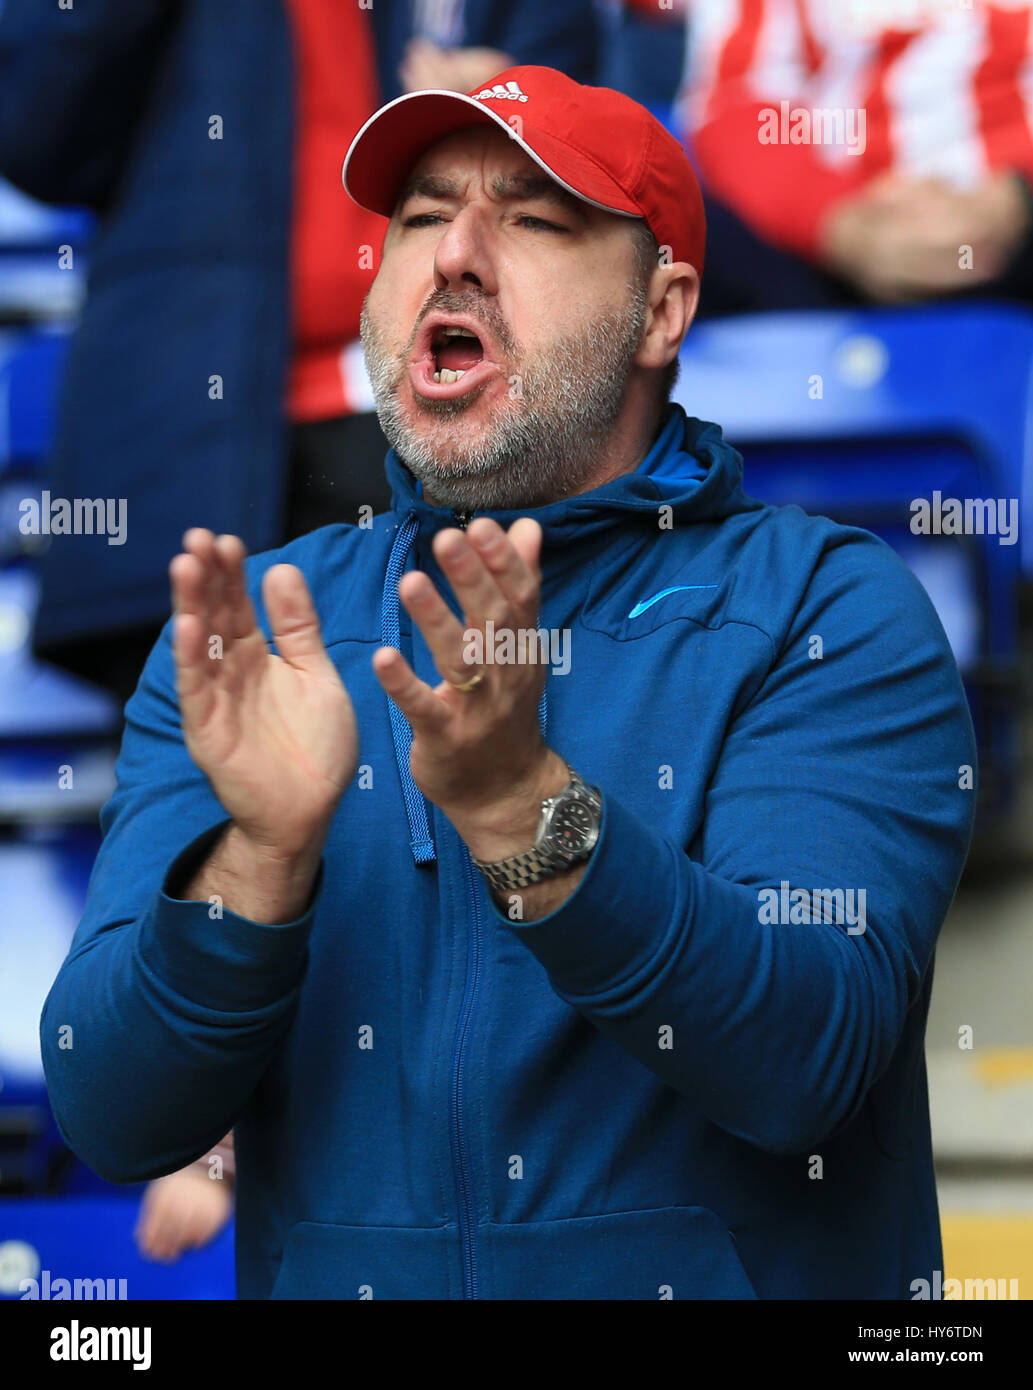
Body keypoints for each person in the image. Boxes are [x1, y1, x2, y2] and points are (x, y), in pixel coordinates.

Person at [42, 65, 976, 1300]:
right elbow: (112, 1116)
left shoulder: (821, 609)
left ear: (661, 311)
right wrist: (257, 867)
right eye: (422, 217)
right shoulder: (261, 632)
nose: (456, 255)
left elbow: (806, 1058)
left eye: (534, 221)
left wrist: (526, 814)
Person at [0, 0, 599, 704]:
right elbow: (38, 133)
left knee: (457, 775)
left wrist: (523, 116)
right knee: (199, 793)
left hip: (443, 421)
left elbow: (595, 162)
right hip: (190, 441)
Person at [672, 0, 1033, 315]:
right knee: (662, 235)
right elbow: (739, 102)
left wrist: (1019, 196)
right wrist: (840, 226)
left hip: (1017, 224)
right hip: (834, 236)